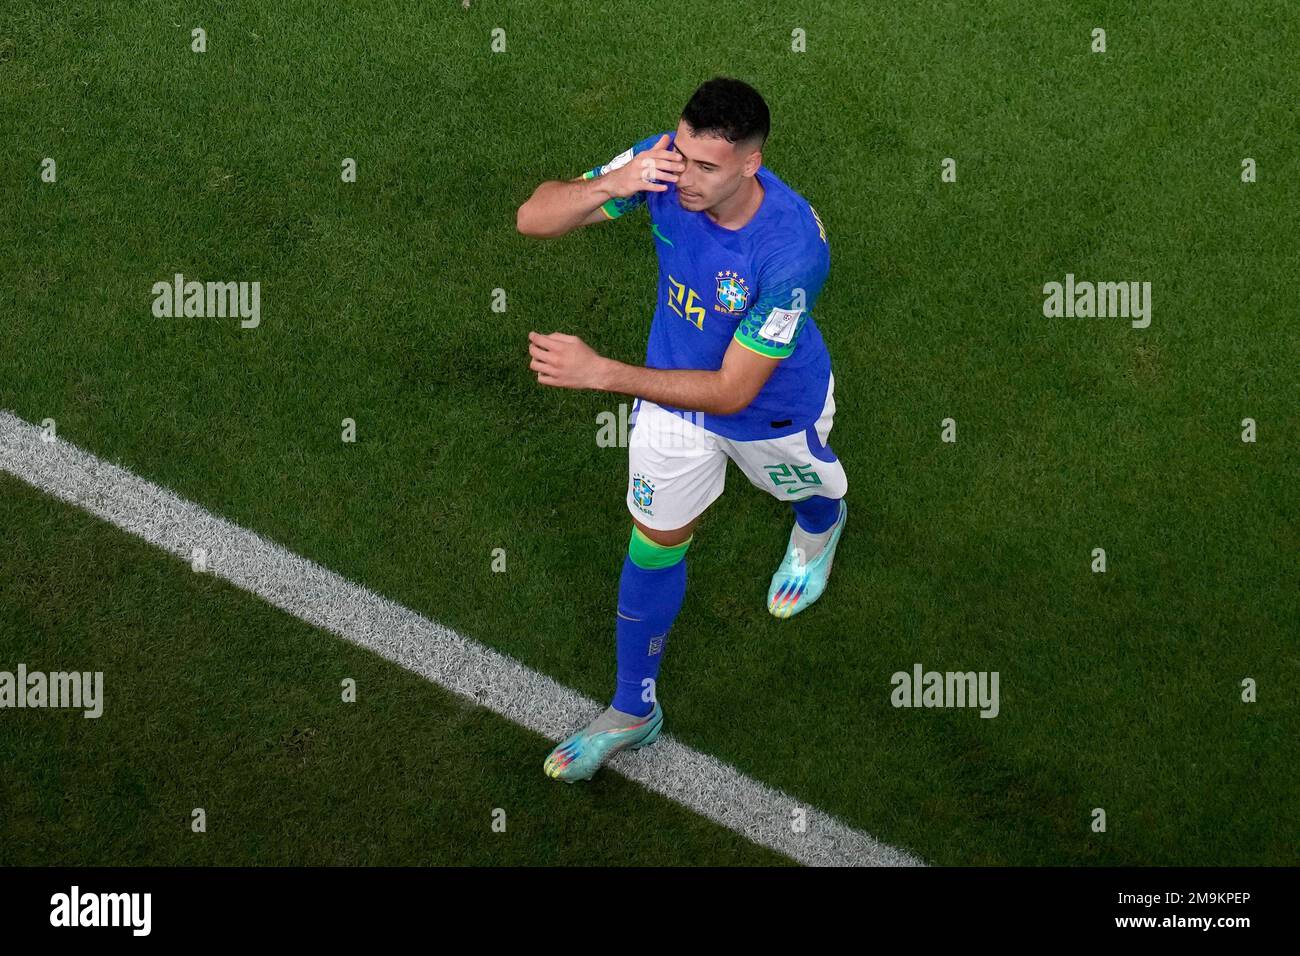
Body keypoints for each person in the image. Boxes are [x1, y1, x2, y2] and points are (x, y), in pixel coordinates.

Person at [517, 77, 848, 782]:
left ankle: (822, 526)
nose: (685, 178)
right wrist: (623, 177)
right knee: (655, 538)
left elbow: (733, 390)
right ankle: (634, 710)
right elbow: (534, 219)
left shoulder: (791, 252)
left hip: (773, 409)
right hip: (673, 402)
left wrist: (604, 373)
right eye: (682, 154)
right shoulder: (660, 166)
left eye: (707, 167)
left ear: (751, 164)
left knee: (807, 494)